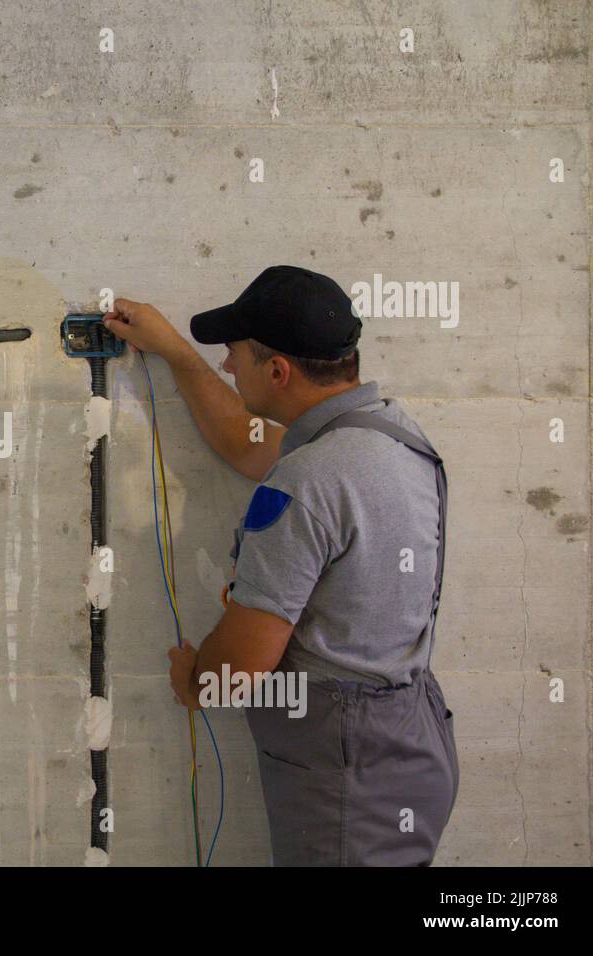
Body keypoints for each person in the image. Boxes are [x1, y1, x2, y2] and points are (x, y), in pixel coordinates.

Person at [103, 265, 459, 866]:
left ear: (277, 371)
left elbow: (238, 670)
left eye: (233, 354)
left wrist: (195, 681)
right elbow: (247, 443)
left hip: (346, 774)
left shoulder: (307, 480)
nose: (225, 365)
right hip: (410, 743)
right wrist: (172, 351)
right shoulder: (389, 436)